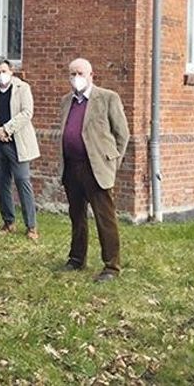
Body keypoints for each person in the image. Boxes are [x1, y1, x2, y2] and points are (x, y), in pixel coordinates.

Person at [58, 58, 130, 282]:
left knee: (105, 218)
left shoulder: (107, 98)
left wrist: (111, 163)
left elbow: (122, 135)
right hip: (72, 167)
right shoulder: (66, 101)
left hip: (96, 168)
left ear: (91, 75)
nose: (76, 78)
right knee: (77, 216)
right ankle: (77, 258)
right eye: (72, 74)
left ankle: (111, 266)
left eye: (80, 73)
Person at [0, 56, 40, 240]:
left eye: (4, 71)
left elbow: (27, 112)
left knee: (22, 180)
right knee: (1, 183)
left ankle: (31, 226)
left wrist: (7, 129)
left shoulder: (22, 88)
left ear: (11, 71)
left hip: (17, 143)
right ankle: (8, 221)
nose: (1, 75)